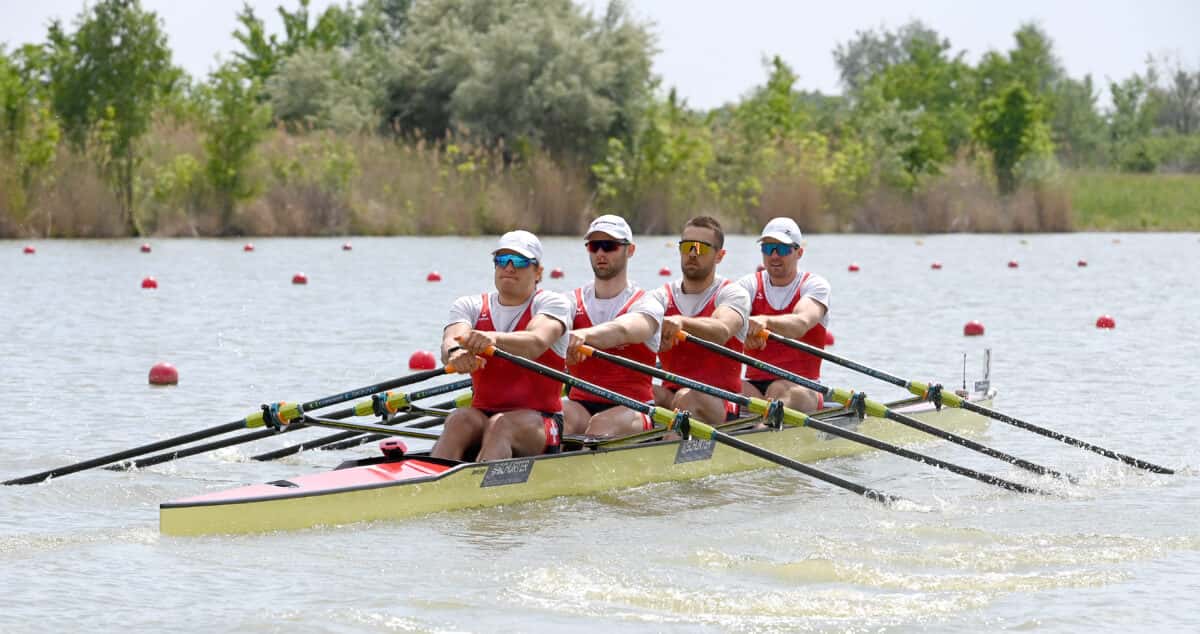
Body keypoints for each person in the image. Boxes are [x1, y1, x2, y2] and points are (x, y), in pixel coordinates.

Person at [431, 230, 572, 461]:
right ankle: (429, 487)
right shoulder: (470, 305)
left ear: (538, 272)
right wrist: (455, 353)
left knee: (501, 424)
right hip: (483, 415)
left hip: (542, 422)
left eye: (519, 261)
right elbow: (451, 338)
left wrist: (492, 339)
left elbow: (535, 342)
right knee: (458, 420)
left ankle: (479, 491)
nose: (509, 267)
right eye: (501, 260)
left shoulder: (552, 303)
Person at [563, 215, 664, 437]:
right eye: (594, 246)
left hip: (635, 408)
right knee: (555, 416)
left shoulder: (646, 302)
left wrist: (582, 335)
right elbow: (547, 326)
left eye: (609, 246)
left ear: (630, 250)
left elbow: (624, 330)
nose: (600, 253)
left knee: (601, 425)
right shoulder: (570, 300)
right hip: (580, 405)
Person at [650, 216, 751, 427]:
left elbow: (722, 329)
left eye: (702, 248)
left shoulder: (733, 294)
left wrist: (682, 323)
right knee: (637, 391)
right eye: (687, 246)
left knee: (687, 398)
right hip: (672, 396)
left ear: (720, 256)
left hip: (721, 402)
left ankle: (665, 450)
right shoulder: (660, 296)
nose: (693, 254)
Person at [738, 217, 831, 412]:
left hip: (803, 386)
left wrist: (765, 321)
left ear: (799, 252)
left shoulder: (814, 286)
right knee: (716, 390)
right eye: (767, 248)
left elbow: (801, 322)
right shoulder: (748, 285)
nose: (774, 256)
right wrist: (744, 331)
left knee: (778, 389)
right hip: (753, 386)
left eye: (782, 249)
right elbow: (725, 318)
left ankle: (761, 429)